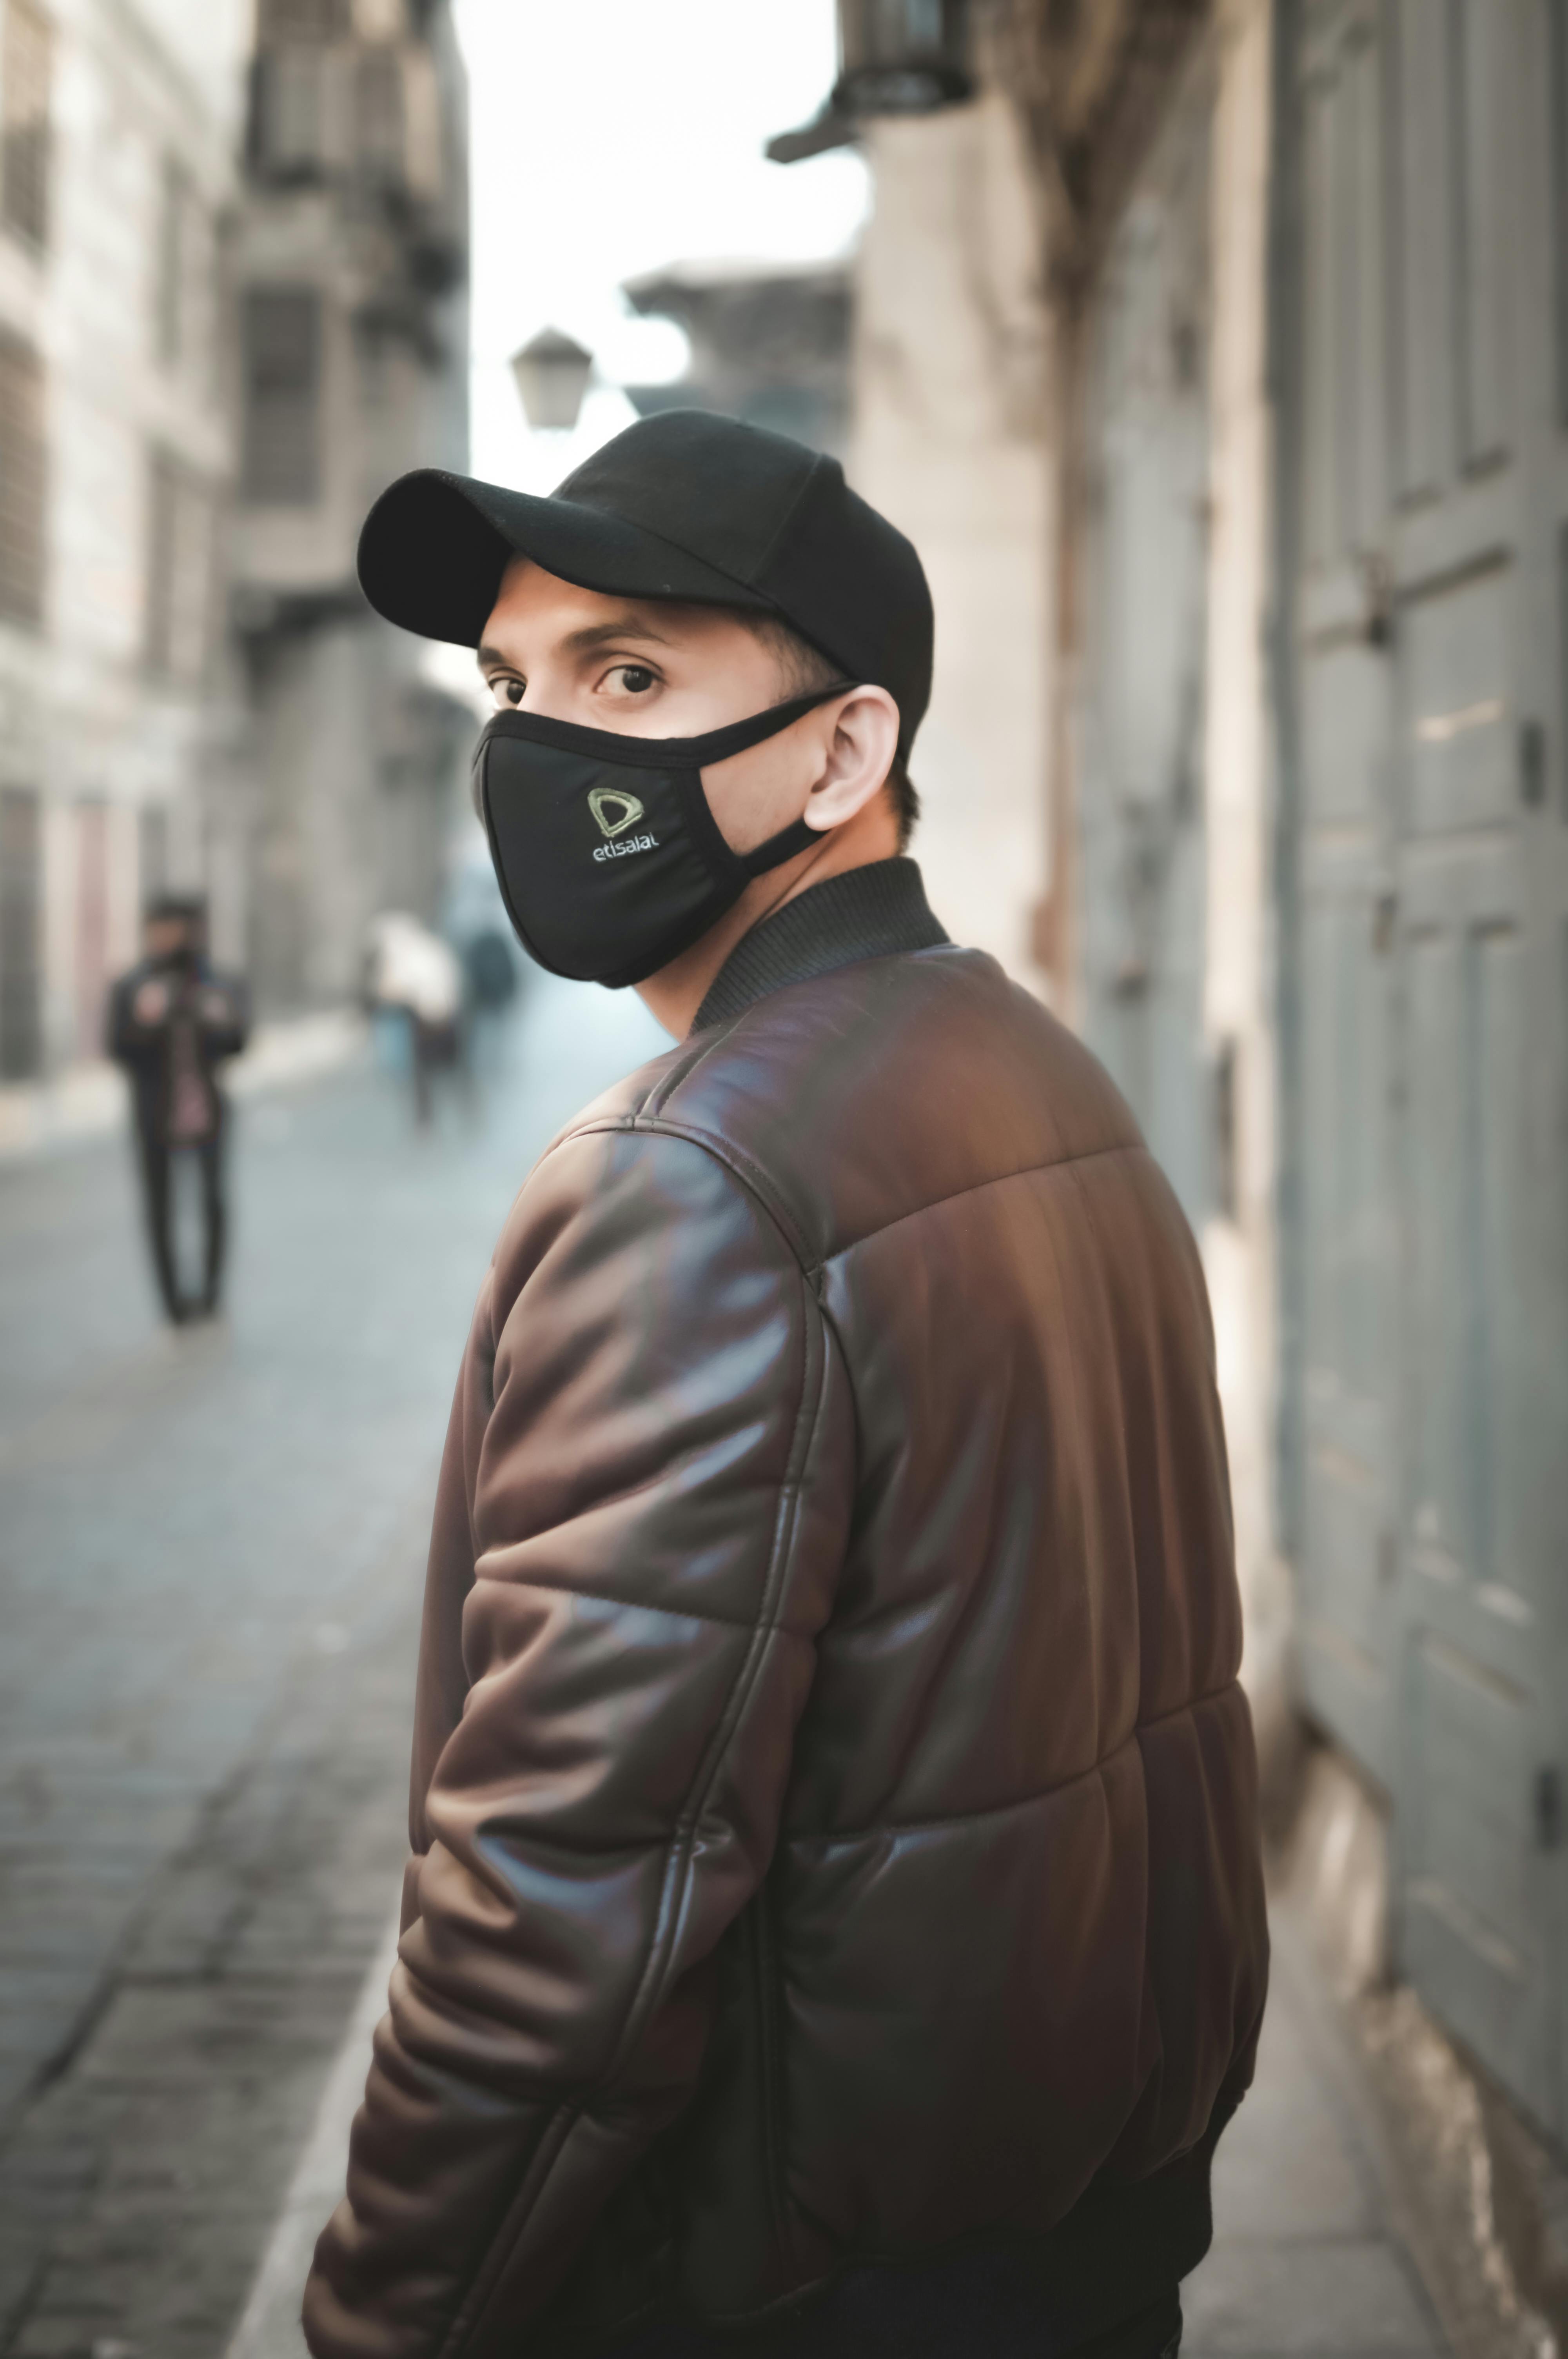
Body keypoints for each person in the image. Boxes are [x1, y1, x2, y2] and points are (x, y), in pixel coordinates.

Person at [305, 411, 1269, 2359]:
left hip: (791, 2283)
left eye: (626, 674)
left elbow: (559, 1913)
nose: (540, 743)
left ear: (841, 753)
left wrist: (383, 2315)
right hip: (1075, 2238)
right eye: (511, 683)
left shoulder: (694, 1177)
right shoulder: (1044, 1076)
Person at [106, 893, 249, 1323]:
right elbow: (118, 1047)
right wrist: (148, 1020)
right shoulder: (132, 986)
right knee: (159, 1209)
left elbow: (239, 1040)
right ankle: (171, 1304)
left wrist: (213, 1017)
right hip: (154, 1112)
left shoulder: (217, 982)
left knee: (213, 1202)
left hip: (207, 1109)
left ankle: (211, 1294)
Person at [362, 911, 466, 1127]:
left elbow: (393, 987)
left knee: (430, 1072)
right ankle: (449, 1113)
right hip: (438, 1016)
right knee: (444, 1071)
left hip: (426, 1019)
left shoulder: (411, 955)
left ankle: (430, 1117)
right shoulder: (432, 949)